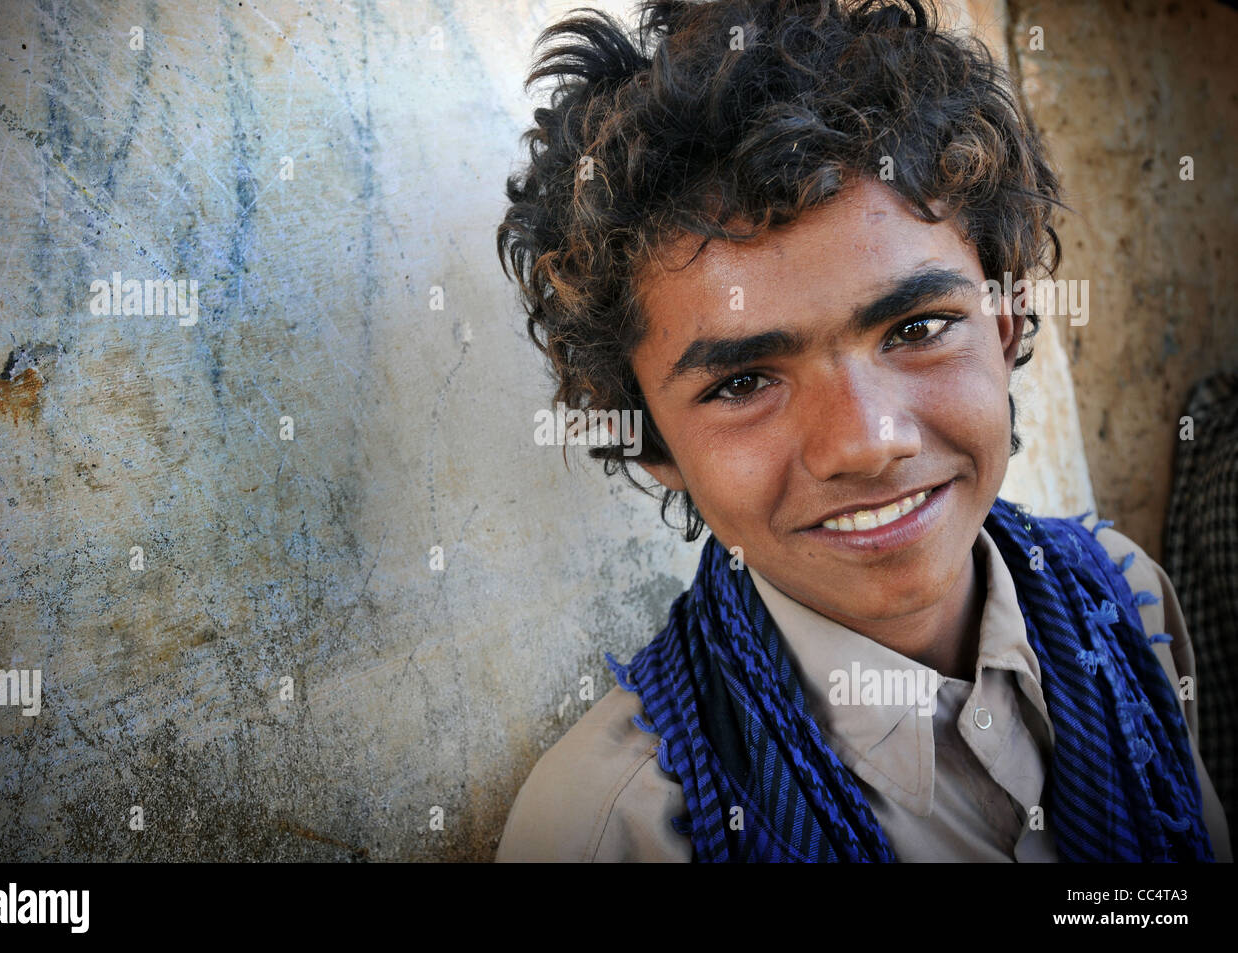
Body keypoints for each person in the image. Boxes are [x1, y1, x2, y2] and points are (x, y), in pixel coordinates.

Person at [493, 0, 1231, 862]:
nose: (868, 442)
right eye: (743, 382)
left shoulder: (1125, 601)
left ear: (1004, 326)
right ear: (656, 446)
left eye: (916, 328)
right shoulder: (618, 827)